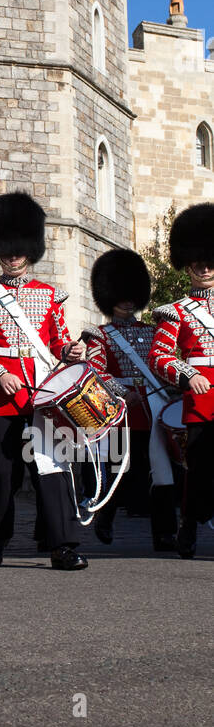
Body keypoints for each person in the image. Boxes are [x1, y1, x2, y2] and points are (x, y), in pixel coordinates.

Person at [0, 191, 89, 571]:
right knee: (3, 473)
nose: (12, 256)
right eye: (5, 249)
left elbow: (57, 341)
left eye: (18, 249)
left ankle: (62, 545)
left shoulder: (50, 296)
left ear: (30, 250)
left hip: (43, 392)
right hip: (2, 395)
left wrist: (71, 351)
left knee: (51, 468)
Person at [84, 248, 178, 550]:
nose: (127, 300)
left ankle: (165, 533)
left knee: (162, 473)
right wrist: (125, 392)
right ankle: (106, 517)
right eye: (120, 294)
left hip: (155, 409)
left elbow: (164, 363)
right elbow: (96, 373)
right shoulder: (100, 335)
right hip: (124, 411)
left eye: (130, 294)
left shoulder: (153, 332)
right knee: (120, 471)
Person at [149, 203, 214, 558]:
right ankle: (188, 526)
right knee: (200, 470)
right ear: (187, 266)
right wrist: (189, 375)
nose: (204, 268)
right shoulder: (175, 311)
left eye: (209, 261)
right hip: (202, 396)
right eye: (198, 262)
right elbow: (159, 356)